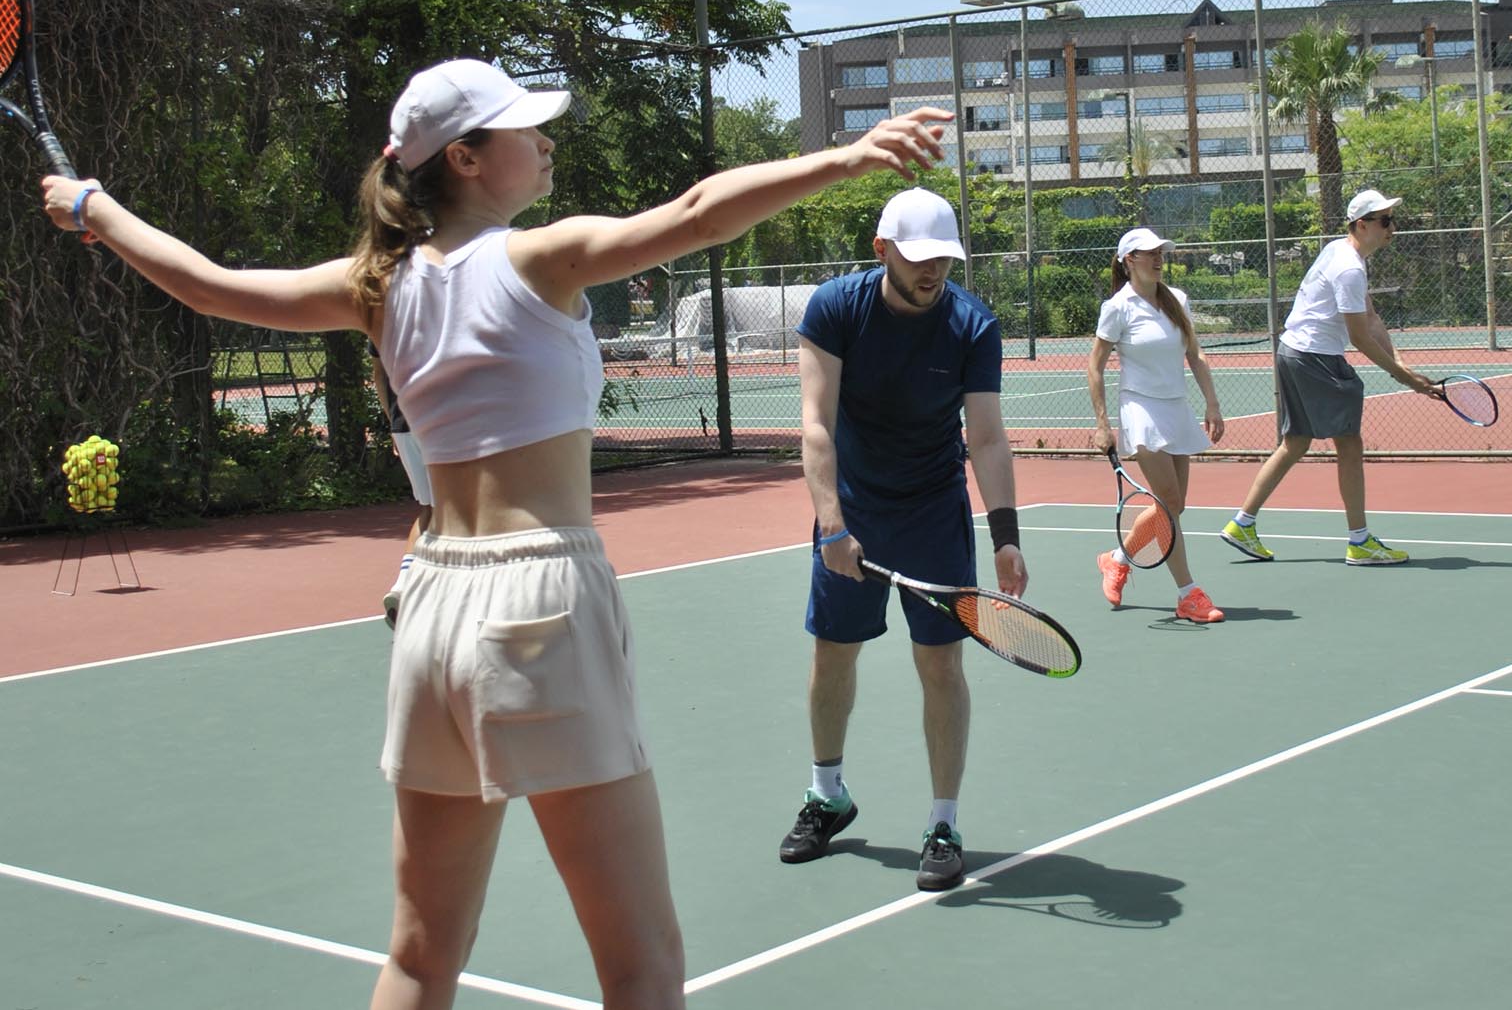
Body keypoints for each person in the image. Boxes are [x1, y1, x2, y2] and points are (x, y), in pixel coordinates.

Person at [42, 57, 950, 1010]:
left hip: (429, 601)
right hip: (540, 599)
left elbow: (213, 287)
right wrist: (844, 161)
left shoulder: (376, 283)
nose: (548, 137)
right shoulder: (535, 259)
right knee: (641, 964)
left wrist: (95, 208)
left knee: (419, 955)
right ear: (467, 158)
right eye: (525, 127)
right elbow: (696, 212)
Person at [781, 186, 1028, 894]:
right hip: (853, 509)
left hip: (931, 512)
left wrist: (1005, 536)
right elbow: (816, 423)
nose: (933, 273)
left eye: (944, 260)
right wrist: (832, 522)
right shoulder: (835, 308)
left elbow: (985, 436)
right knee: (833, 656)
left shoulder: (972, 323)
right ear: (881, 249)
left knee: (941, 667)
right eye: (919, 259)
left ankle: (943, 822)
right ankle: (828, 794)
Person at [1219, 189, 1436, 567]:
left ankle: (1242, 523)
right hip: (1314, 358)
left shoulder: (1344, 252)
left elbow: (1371, 317)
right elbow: (1358, 336)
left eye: (1392, 220)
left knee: (1297, 442)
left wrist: (1402, 363)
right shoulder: (1349, 267)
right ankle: (1360, 541)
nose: (1391, 228)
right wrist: (1402, 376)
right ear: (1362, 225)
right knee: (1349, 444)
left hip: (1295, 352)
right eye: (1385, 221)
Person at [1086, 227, 1226, 622]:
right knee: (1168, 502)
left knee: (1172, 509)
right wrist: (1102, 423)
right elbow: (1094, 367)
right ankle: (1188, 594)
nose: (1159, 258)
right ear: (1129, 260)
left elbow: (1195, 356)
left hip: (1176, 409)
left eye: (1161, 252)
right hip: (1141, 410)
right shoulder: (1118, 307)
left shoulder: (1176, 300)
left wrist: (1212, 404)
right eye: (1149, 253)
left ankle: (1117, 558)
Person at [368, 341, 431, 628]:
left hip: (403, 424)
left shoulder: (382, 310)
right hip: (440, 421)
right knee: (459, 508)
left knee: (430, 509)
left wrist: (392, 422)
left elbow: (378, 375)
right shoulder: (443, 304)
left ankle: (404, 585)